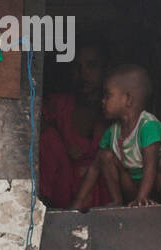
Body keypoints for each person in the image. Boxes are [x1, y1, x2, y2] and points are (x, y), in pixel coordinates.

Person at [72, 64, 161, 210]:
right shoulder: (113, 131)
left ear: (128, 99)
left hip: (156, 183)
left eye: (108, 95)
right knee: (105, 156)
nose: (102, 101)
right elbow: (94, 169)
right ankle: (117, 201)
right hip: (132, 189)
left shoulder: (148, 125)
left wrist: (142, 197)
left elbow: (150, 166)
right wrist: (77, 203)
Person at [38, 41, 110, 211]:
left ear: (105, 69)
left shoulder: (115, 112)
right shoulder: (59, 105)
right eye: (77, 67)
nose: (83, 74)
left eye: (91, 66)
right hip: (62, 196)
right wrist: (61, 143)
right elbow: (31, 124)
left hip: (103, 203)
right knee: (49, 139)